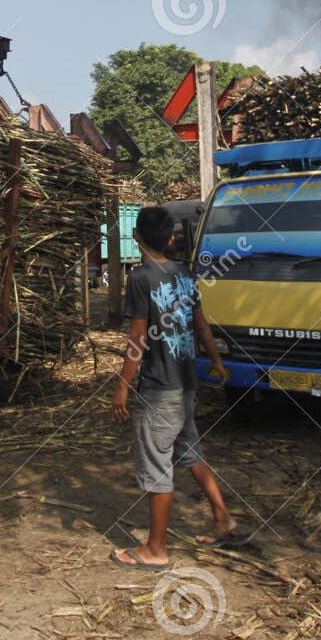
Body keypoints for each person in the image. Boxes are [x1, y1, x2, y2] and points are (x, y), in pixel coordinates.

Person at [109, 205, 247, 569]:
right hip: (186, 383)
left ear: (137, 237)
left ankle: (155, 549)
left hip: (159, 388)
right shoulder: (185, 273)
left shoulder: (140, 278)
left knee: (157, 465)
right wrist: (216, 361)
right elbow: (201, 325)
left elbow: (137, 338)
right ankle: (223, 519)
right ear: (171, 239)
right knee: (190, 452)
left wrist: (122, 386)